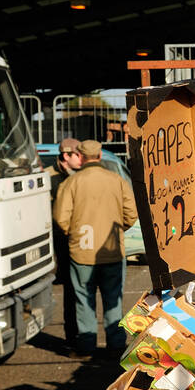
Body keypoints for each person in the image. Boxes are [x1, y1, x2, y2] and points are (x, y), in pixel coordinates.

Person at [53, 139, 138, 360]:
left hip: (81, 252)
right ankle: (116, 345)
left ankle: (86, 346)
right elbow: (131, 214)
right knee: (113, 300)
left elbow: (61, 219)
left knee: (84, 301)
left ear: (80, 157)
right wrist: (118, 230)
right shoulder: (117, 180)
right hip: (111, 251)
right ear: (100, 156)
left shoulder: (71, 183)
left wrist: (75, 234)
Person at [49, 139, 83, 348]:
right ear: (65, 157)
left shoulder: (79, 176)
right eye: (77, 155)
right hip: (60, 242)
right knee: (70, 292)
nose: (81, 159)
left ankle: (82, 334)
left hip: (79, 241)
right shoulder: (49, 178)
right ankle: (72, 336)